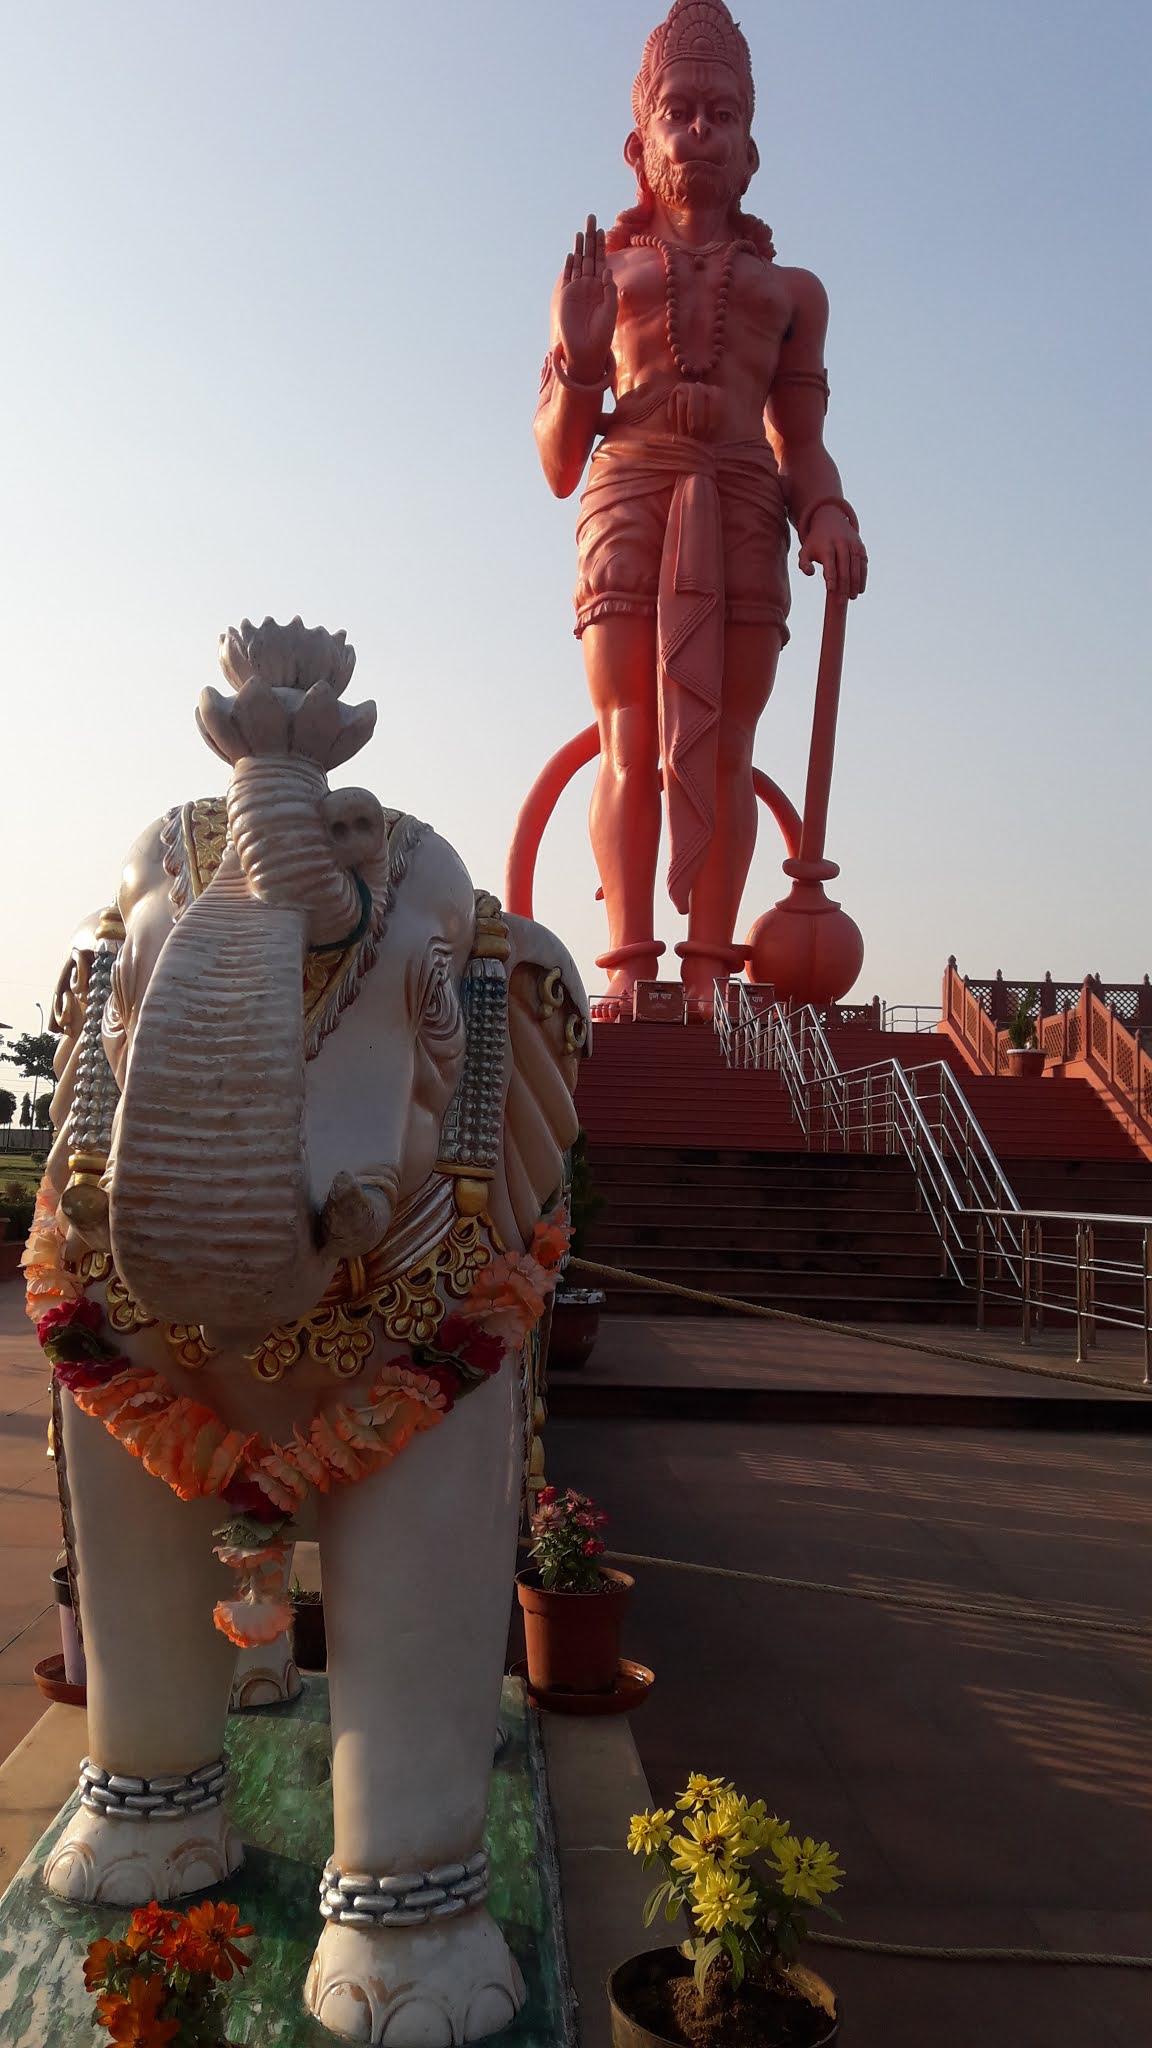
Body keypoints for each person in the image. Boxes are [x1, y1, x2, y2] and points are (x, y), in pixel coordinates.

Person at [534, 0, 867, 1013]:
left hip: (744, 502)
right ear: (640, 145)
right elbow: (558, 460)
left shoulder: (794, 294)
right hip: (629, 496)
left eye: (724, 114)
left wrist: (826, 510)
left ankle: (712, 975)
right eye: (679, 111)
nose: (702, 132)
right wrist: (580, 358)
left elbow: (798, 440)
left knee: (728, 747)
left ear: (752, 150)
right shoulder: (603, 276)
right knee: (631, 733)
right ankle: (632, 968)